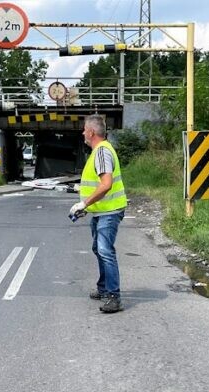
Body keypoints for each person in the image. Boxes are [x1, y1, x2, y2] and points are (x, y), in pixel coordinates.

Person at [70, 114, 126, 314]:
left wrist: (84, 203)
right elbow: (98, 184)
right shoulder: (99, 151)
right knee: (99, 249)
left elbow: (106, 184)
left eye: (84, 129)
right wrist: (86, 206)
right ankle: (104, 288)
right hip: (101, 211)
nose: (83, 133)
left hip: (109, 211)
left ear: (91, 132)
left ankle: (113, 296)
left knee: (105, 251)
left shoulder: (101, 152)